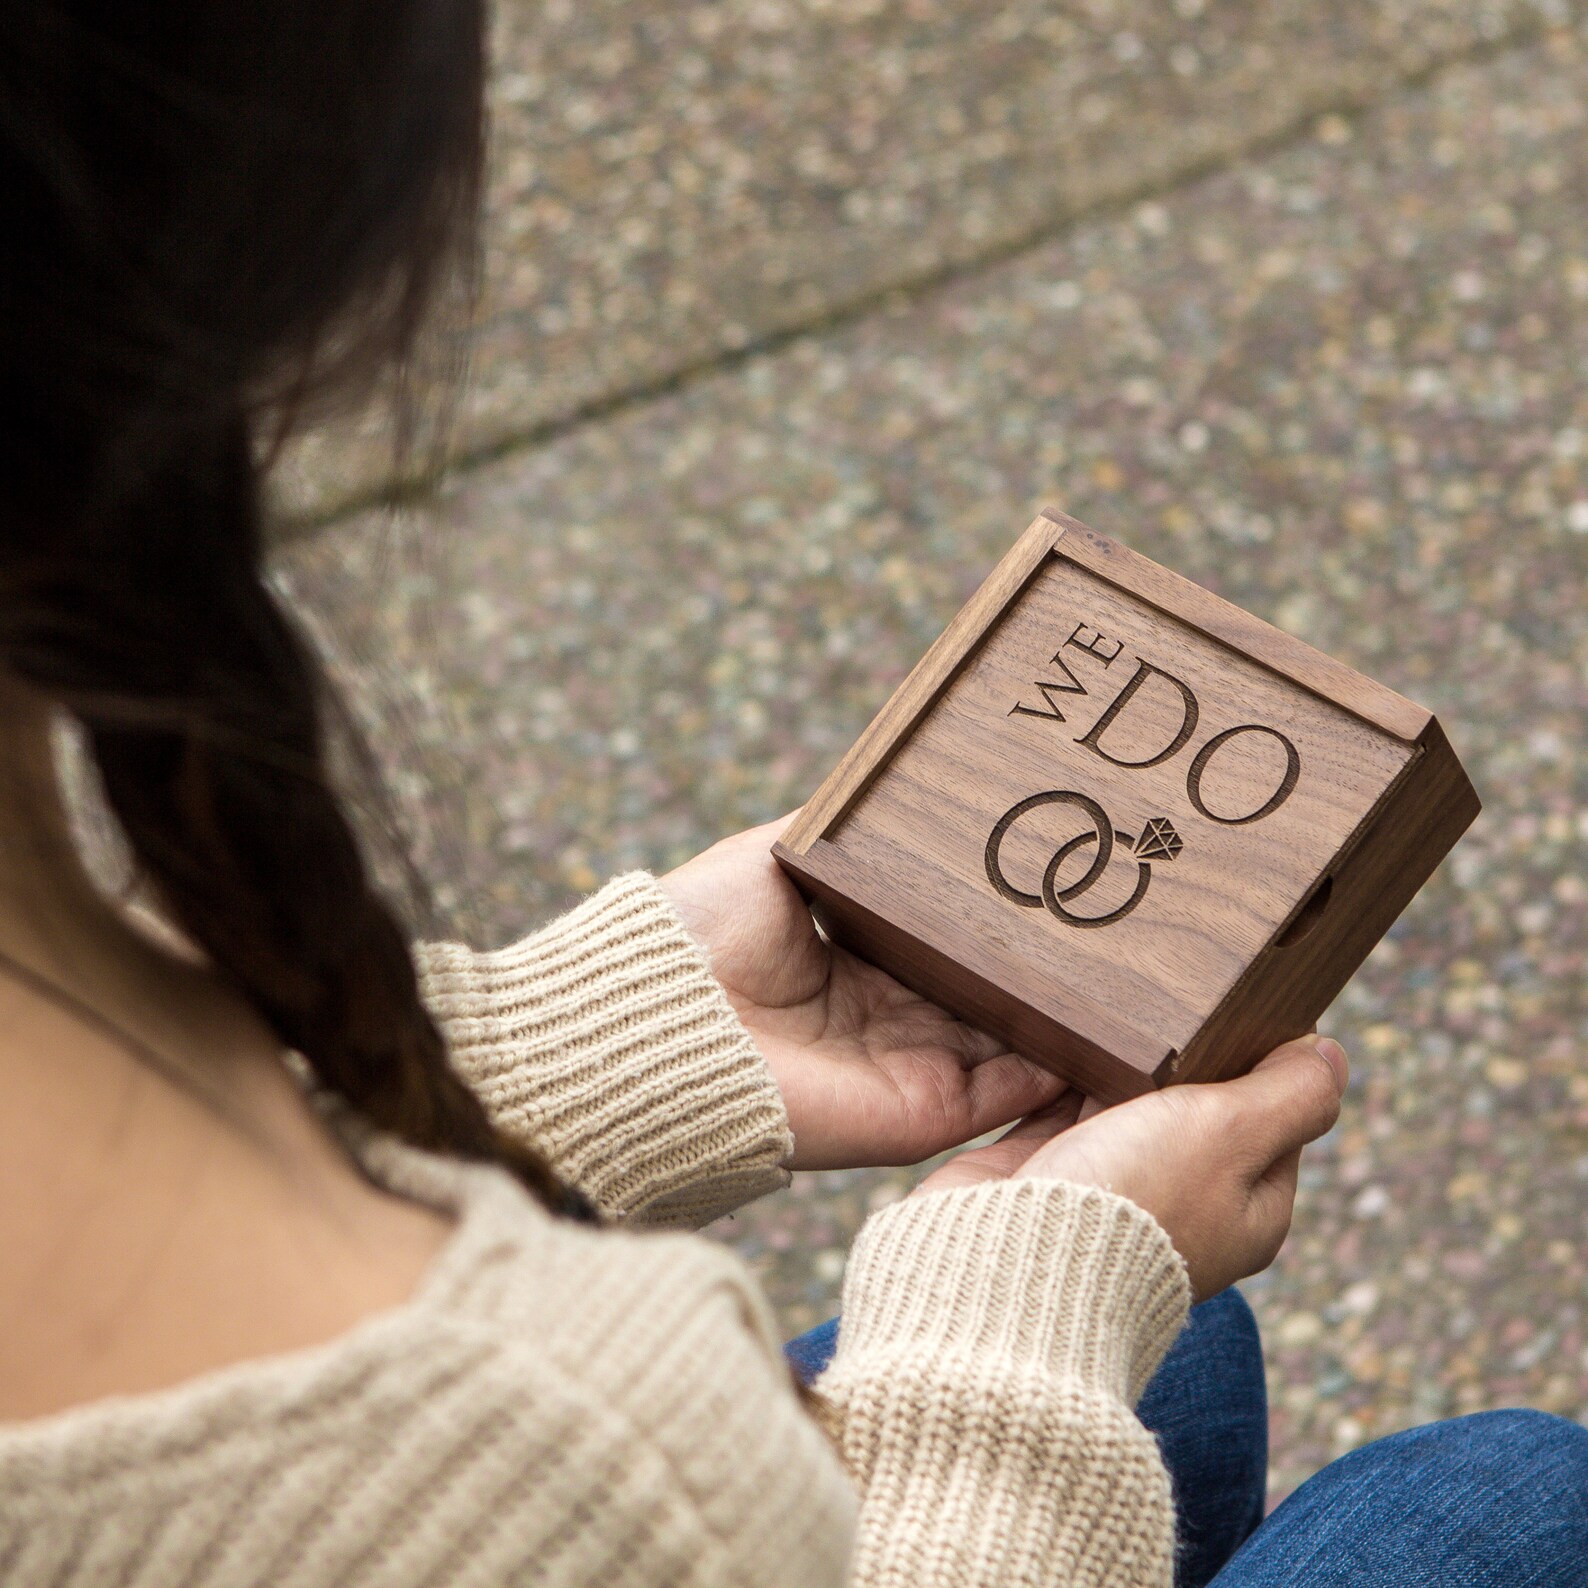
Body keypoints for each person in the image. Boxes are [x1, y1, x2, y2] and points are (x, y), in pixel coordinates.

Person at [0, 4, 1584, 1585]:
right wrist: (995, 1370)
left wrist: (575, 1053)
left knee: (1188, 1355)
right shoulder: (585, 1449)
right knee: (1515, 1496)